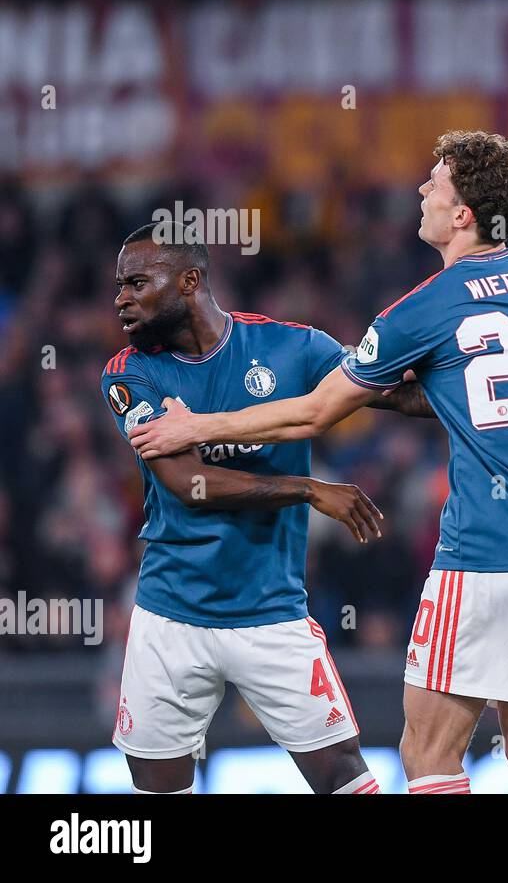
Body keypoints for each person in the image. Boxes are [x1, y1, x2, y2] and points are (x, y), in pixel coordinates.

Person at [130, 131, 508, 795]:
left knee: (429, 756)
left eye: (435, 182)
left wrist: (198, 424)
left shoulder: (427, 306)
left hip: (489, 550)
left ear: (463, 211)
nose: (422, 190)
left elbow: (314, 413)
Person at [104, 221, 412, 794]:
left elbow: (392, 391)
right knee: (154, 785)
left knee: (345, 774)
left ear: (190, 280)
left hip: (270, 612)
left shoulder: (293, 348)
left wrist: (459, 391)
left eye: (137, 282)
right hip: (171, 614)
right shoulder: (129, 373)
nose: (121, 298)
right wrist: (308, 487)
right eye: (120, 286)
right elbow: (187, 482)